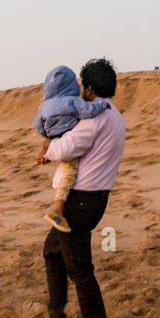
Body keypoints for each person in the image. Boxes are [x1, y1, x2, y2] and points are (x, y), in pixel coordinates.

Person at [38, 58, 125, 318]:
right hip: (94, 198)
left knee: (80, 270)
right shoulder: (115, 116)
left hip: (81, 200)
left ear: (89, 88)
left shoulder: (95, 119)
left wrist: (47, 150)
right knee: (52, 251)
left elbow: (66, 148)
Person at [32, 66, 111, 233]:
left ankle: (45, 153)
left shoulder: (43, 106)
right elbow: (88, 110)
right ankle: (57, 209)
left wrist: (47, 135)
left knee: (52, 151)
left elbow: (38, 125)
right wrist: (102, 105)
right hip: (67, 135)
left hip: (52, 136)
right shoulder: (71, 101)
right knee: (69, 173)